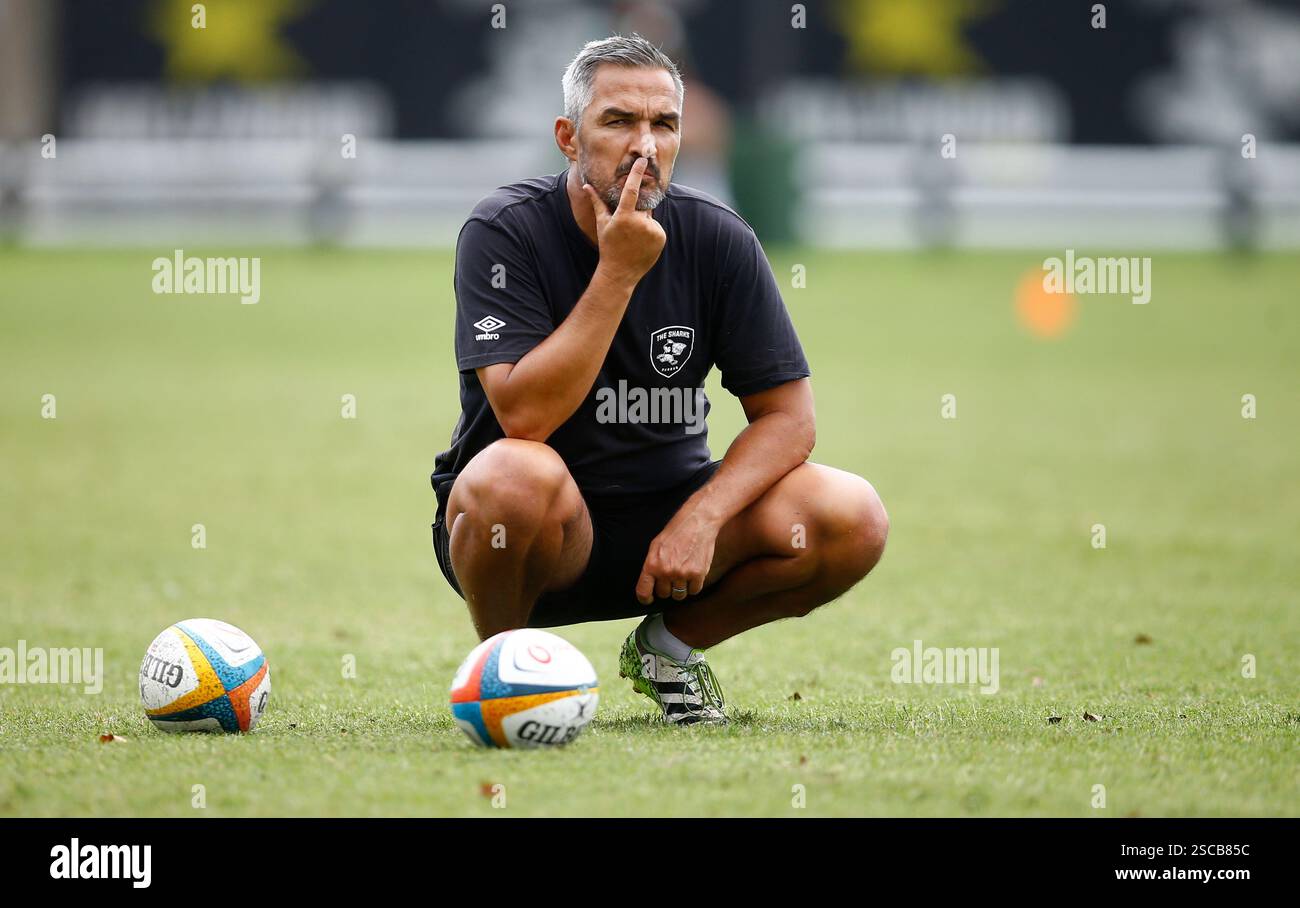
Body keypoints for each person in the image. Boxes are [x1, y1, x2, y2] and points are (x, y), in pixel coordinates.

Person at [431, 34, 888, 725]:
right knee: (511, 477)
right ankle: (507, 677)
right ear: (568, 137)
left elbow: (789, 418)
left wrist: (702, 521)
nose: (644, 145)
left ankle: (667, 650)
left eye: (663, 124)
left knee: (850, 516)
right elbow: (524, 418)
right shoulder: (504, 232)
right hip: (532, 537)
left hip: (669, 530)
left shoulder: (719, 239)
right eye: (617, 121)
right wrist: (617, 272)